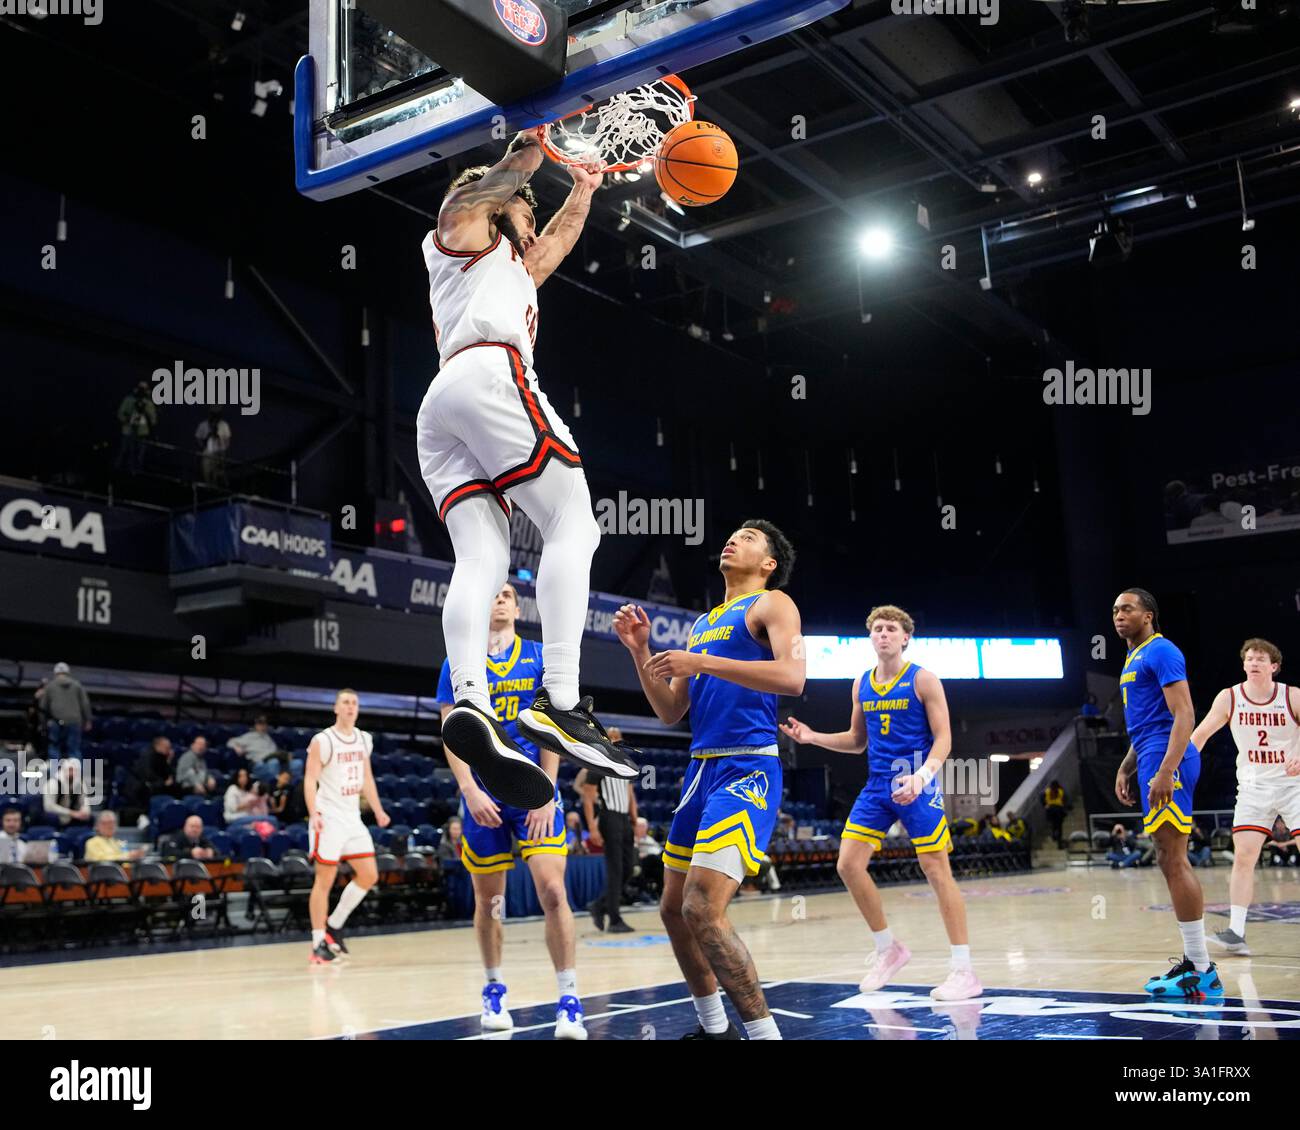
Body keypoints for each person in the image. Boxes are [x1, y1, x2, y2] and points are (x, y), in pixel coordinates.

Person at [415, 124, 637, 807]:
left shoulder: (513, 266)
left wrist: (584, 185)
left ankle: (473, 703)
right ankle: (562, 701)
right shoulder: (459, 232)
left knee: (481, 559)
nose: (531, 214)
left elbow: (559, 241)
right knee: (576, 526)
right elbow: (490, 187)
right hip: (488, 375)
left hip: (442, 410)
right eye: (524, 204)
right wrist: (538, 137)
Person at [613, 520, 805, 1041]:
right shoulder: (701, 624)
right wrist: (639, 651)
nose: (732, 539)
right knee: (673, 909)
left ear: (767, 563)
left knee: (703, 906)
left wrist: (700, 661)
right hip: (700, 770)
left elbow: (793, 678)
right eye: (732, 534)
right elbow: (672, 711)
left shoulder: (772, 604)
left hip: (748, 766)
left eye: (748, 537)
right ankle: (713, 1028)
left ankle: (766, 1035)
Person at [782, 603, 981, 1003]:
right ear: (871, 638)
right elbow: (857, 742)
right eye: (877, 629)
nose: (883, 634)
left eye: (891, 628)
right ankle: (888, 947)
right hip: (877, 785)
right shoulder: (861, 684)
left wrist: (923, 775)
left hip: (917, 781)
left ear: (906, 637)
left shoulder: (923, 680)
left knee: (936, 869)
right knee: (848, 864)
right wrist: (813, 737)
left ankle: (964, 971)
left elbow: (944, 738)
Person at [436, 581, 588, 1039]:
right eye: (492, 594)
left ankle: (569, 998)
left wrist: (546, 792)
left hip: (532, 789)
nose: (498, 599)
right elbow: (452, 728)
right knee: (491, 901)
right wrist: (468, 789)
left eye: (506, 594)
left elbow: (552, 726)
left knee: (554, 894)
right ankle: (494, 988)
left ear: (518, 608)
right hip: (482, 791)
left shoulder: (540, 656)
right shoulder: (458, 662)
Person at [1112, 588, 1220, 997]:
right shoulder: (1132, 657)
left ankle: (1203, 968)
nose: (1119, 615)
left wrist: (1165, 769)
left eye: (1127, 609)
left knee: (1174, 859)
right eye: (1115, 610)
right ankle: (1196, 962)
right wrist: (1128, 765)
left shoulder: (1161, 651)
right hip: (1152, 753)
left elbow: (1184, 714)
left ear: (1149, 615)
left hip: (1167, 757)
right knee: (1164, 855)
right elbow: (1145, 724)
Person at [1189, 638, 1300, 956]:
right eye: (1249, 658)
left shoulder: (1291, 696)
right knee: (1243, 857)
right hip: (1253, 787)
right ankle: (1236, 932)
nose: (1253, 662)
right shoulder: (1230, 697)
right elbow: (1201, 733)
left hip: (1293, 785)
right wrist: (1179, 768)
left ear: (1274, 666)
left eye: (1260, 659)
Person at [306, 689, 390, 964]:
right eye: (345, 702)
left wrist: (378, 810)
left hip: (352, 817)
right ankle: (318, 941)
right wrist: (313, 813)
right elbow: (309, 780)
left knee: (369, 875)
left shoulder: (364, 739)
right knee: (324, 881)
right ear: (335, 708)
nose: (351, 706)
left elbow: (367, 778)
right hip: (328, 817)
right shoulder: (323, 740)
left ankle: (335, 924)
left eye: (354, 703)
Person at [578, 725, 638, 933]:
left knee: (629, 869)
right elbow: (588, 797)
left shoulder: (626, 763)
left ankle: (599, 905)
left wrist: (635, 819)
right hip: (608, 817)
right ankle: (614, 919)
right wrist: (592, 829)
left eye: (616, 736)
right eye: (610, 736)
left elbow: (631, 794)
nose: (613, 739)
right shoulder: (597, 762)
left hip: (624, 820)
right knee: (615, 870)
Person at [39, 662, 92, 763]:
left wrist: (43, 723)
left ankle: (54, 775)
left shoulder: (50, 686)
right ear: (68, 673)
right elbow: (85, 703)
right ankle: (76, 776)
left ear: (55, 673)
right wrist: (88, 720)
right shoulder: (77, 685)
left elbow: (43, 707)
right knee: (74, 750)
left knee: (54, 748)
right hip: (74, 721)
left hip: (56, 721)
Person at [125, 736, 181, 826]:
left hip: (153, 784)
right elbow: (148, 775)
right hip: (139, 787)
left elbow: (169, 773)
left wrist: (169, 761)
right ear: (158, 746)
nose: (169, 750)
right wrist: (163, 783)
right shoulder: (148, 756)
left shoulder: (162, 757)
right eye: (167, 747)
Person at [114, 380, 156, 474]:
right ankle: (116, 472)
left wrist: (146, 414)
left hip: (142, 434)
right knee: (123, 452)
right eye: (141, 389)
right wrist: (127, 419)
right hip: (128, 431)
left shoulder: (149, 404)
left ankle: (136, 474)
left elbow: (153, 420)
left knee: (140, 456)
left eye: (144, 389)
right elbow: (120, 413)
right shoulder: (129, 399)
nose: (142, 391)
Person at [42, 757, 92, 828]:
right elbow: (49, 807)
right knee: (52, 817)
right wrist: (71, 813)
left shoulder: (80, 783)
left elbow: (85, 801)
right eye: (70, 770)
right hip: (58, 814)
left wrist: (85, 810)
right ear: (63, 770)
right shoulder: (53, 783)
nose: (72, 773)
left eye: (75, 770)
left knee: (89, 817)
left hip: (74, 813)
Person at [195, 408, 231, 487]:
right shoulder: (203, 425)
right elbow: (198, 437)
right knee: (206, 472)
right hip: (207, 452)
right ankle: (208, 488)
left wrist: (222, 448)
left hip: (219, 452)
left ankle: (223, 487)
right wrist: (203, 445)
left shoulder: (223, 425)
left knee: (220, 472)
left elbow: (227, 439)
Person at [1042, 780, 1069, 847]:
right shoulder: (1060, 791)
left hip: (1050, 809)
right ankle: (1059, 842)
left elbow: (1041, 797)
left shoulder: (1047, 791)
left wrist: (1045, 805)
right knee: (1059, 826)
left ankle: (1054, 835)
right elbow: (1065, 799)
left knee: (1053, 824)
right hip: (1058, 809)